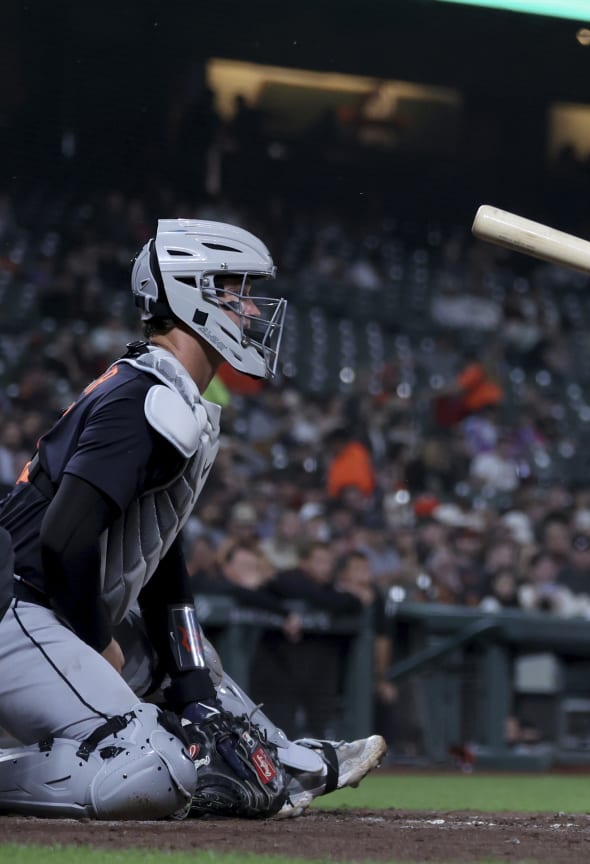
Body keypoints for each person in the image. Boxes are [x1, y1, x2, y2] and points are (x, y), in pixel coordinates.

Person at [0, 218, 386, 820]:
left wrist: (195, 688)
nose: (251, 309)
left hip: (48, 607)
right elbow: (64, 538)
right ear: (190, 293)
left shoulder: (166, 391)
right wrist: (100, 642)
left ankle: (278, 760)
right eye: (236, 291)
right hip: (18, 608)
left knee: (198, 669)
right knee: (149, 766)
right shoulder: (142, 398)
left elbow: (158, 556)